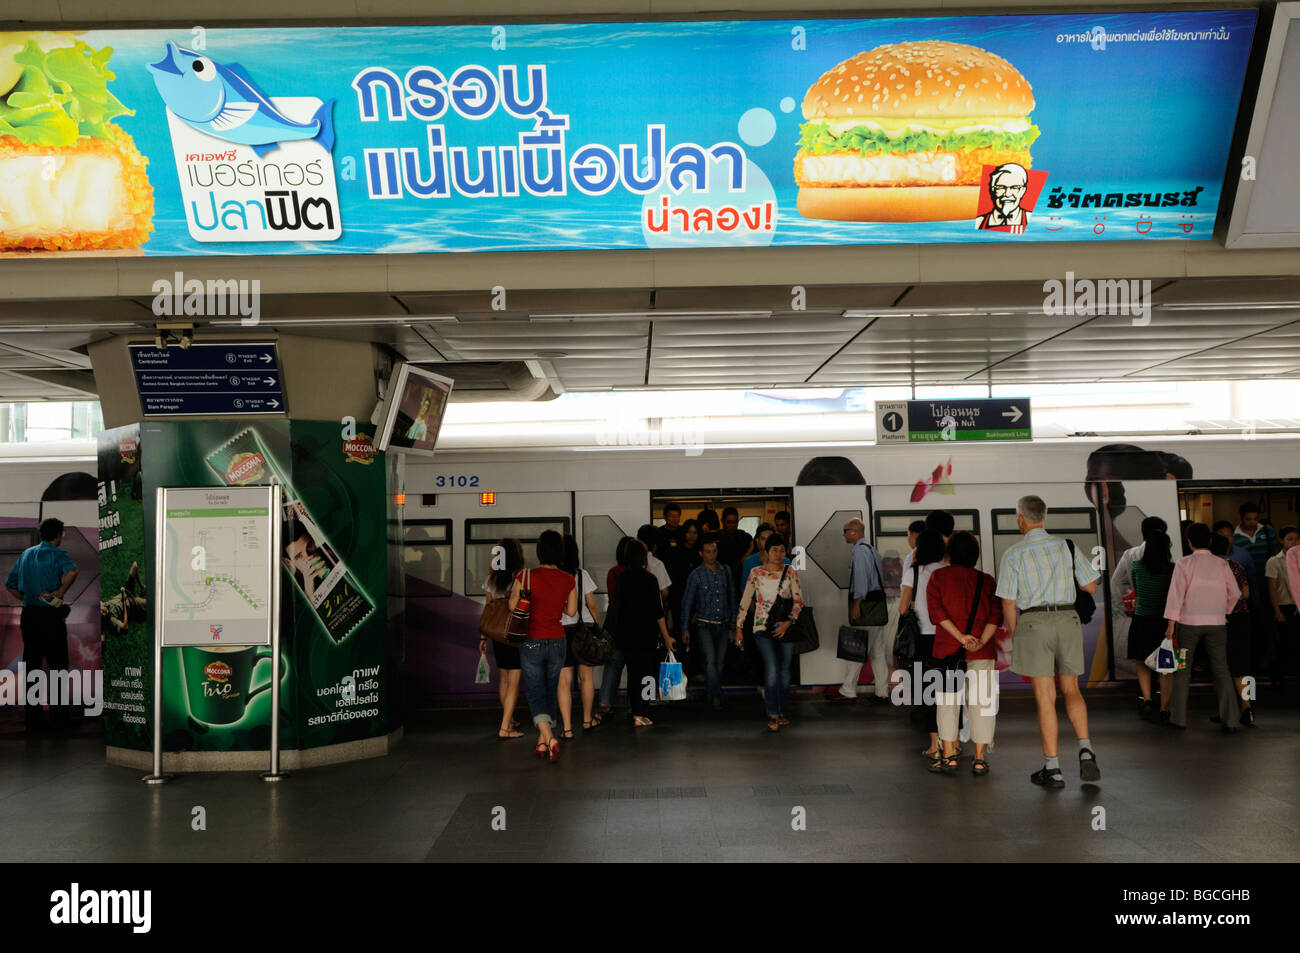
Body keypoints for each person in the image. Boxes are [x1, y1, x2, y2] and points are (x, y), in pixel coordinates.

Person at [996, 495, 1101, 789]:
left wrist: (1017, 633)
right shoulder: (1064, 546)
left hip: (1034, 621)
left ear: (1020, 519)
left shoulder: (1014, 554)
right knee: (1071, 689)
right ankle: (1085, 748)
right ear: (1045, 516)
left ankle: (1053, 769)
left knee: (1045, 697)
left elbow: (1008, 602)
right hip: (1068, 620)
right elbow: (1090, 585)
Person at [927, 531, 1002, 775]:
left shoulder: (938, 577)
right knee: (982, 704)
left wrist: (960, 638)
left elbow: (937, 614)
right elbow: (995, 616)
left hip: (949, 651)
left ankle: (949, 756)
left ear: (950, 554)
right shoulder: (988, 580)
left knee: (948, 704)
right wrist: (980, 642)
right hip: (982, 653)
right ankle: (979, 759)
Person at [1164, 522, 1240, 733]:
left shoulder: (1183, 564)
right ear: (1209, 541)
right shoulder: (1222, 564)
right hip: (1217, 625)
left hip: (1188, 624)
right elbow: (1235, 593)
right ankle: (1231, 720)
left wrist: (1171, 624)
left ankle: (1177, 719)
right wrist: (1222, 611)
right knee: (1221, 670)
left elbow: (1176, 595)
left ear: (1188, 542)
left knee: (1182, 671)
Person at [509, 530, 578, 762]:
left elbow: (512, 607)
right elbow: (571, 612)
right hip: (558, 640)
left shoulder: (524, 577)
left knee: (535, 691)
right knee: (550, 689)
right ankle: (541, 743)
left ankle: (549, 737)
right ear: (560, 552)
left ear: (539, 551)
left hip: (531, 640)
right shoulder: (569, 578)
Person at [4, 518, 78, 733]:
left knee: (32, 668)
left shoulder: (26, 554)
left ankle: (33, 721)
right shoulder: (58, 554)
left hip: (30, 616)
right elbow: (73, 572)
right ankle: (59, 720)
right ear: (59, 534)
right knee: (57, 667)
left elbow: (10, 585)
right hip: (51, 616)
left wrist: (27, 598)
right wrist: (60, 592)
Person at [735, 532, 804, 732]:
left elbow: (799, 601)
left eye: (782, 550)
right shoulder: (755, 572)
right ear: (767, 551)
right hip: (761, 627)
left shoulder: (791, 571)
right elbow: (745, 600)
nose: (778, 554)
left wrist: (787, 623)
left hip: (785, 628)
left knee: (784, 671)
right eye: (774, 550)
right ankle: (772, 713)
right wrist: (739, 627)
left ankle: (782, 711)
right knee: (772, 669)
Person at [613, 540, 676, 727]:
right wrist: (666, 636)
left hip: (627, 635)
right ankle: (642, 711)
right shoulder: (650, 580)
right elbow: (658, 612)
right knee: (647, 674)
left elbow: (620, 607)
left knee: (633, 674)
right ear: (643, 557)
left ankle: (635, 712)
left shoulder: (622, 579)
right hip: (647, 634)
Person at [899, 530, 947, 760]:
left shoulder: (913, 573)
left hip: (922, 638)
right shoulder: (947, 572)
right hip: (947, 636)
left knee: (929, 691)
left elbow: (902, 609)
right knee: (949, 690)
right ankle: (952, 742)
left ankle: (934, 744)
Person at [680, 537, 737, 710]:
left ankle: (712, 692)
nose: (712, 555)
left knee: (718, 662)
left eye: (714, 551)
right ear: (701, 553)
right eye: (708, 552)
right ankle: (715, 697)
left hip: (724, 623)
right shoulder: (696, 575)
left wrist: (735, 621)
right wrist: (684, 628)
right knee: (711, 660)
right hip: (704, 624)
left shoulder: (725, 571)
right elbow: (687, 603)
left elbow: (732, 598)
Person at [1127, 531, 1175, 725]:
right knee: (1165, 667)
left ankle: (1147, 699)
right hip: (1163, 622)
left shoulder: (1137, 566)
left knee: (1141, 661)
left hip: (1141, 620)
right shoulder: (1172, 569)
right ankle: (1164, 708)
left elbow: (1137, 591)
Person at [480, 537, 525, 740]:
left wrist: (483, 637)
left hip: (497, 633)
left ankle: (510, 718)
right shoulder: (520, 576)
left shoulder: (492, 577)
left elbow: (488, 607)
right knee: (514, 680)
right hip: (514, 632)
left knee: (504, 678)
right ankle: (505, 727)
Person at [840, 517, 889, 703]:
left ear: (854, 531)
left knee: (856, 648)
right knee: (878, 652)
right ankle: (882, 691)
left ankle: (848, 690)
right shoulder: (871, 549)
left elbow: (861, 580)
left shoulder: (860, 551)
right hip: (876, 608)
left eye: (845, 530)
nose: (843, 534)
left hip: (866, 607)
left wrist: (856, 604)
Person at [557, 534, 602, 736]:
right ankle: (586, 720)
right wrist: (597, 627)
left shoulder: (555, 575)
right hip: (584, 630)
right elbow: (591, 604)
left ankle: (567, 728)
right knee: (587, 677)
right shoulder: (582, 574)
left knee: (564, 680)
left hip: (562, 630)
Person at [1211, 533, 1255, 727]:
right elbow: (1246, 593)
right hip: (1242, 618)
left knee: (1222, 667)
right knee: (1241, 666)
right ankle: (1247, 707)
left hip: (1221, 619)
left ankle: (1226, 711)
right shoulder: (1237, 566)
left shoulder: (1210, 569)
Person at [599, 536, 636, 715]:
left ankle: (606, 702)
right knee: (634, 668)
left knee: (613, 665)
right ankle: (632, 705)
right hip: (635, 626)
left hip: (616, 626)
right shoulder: (642, 574)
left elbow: (613, 600)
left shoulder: (613, 572)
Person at [1265, 525, 1300, 691]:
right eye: (1290, 539)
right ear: (1281, 540)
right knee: (1284, 643)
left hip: (1297, 605)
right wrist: (1277, 610)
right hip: (1284, 606)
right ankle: (1277, 675)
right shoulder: (1274, 561)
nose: (1294, 542)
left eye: (1296, 539)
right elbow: (1272, 588)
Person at [1233, 503, 1278, 589]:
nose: (1252, 522)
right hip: (1245, 582)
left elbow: (1275, 552)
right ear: (1241, 518)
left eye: (1255, 519)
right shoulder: (1235, 536)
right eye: (1248, 519)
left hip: (1267, 579)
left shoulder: (1267, 530)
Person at [718, 507, 754, 588]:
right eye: (729, 522)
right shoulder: (717, 538)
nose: (732, 525)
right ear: (722, 521)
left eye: (734, 522)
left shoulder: (745, 537)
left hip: (740, 579)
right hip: (721, 579)